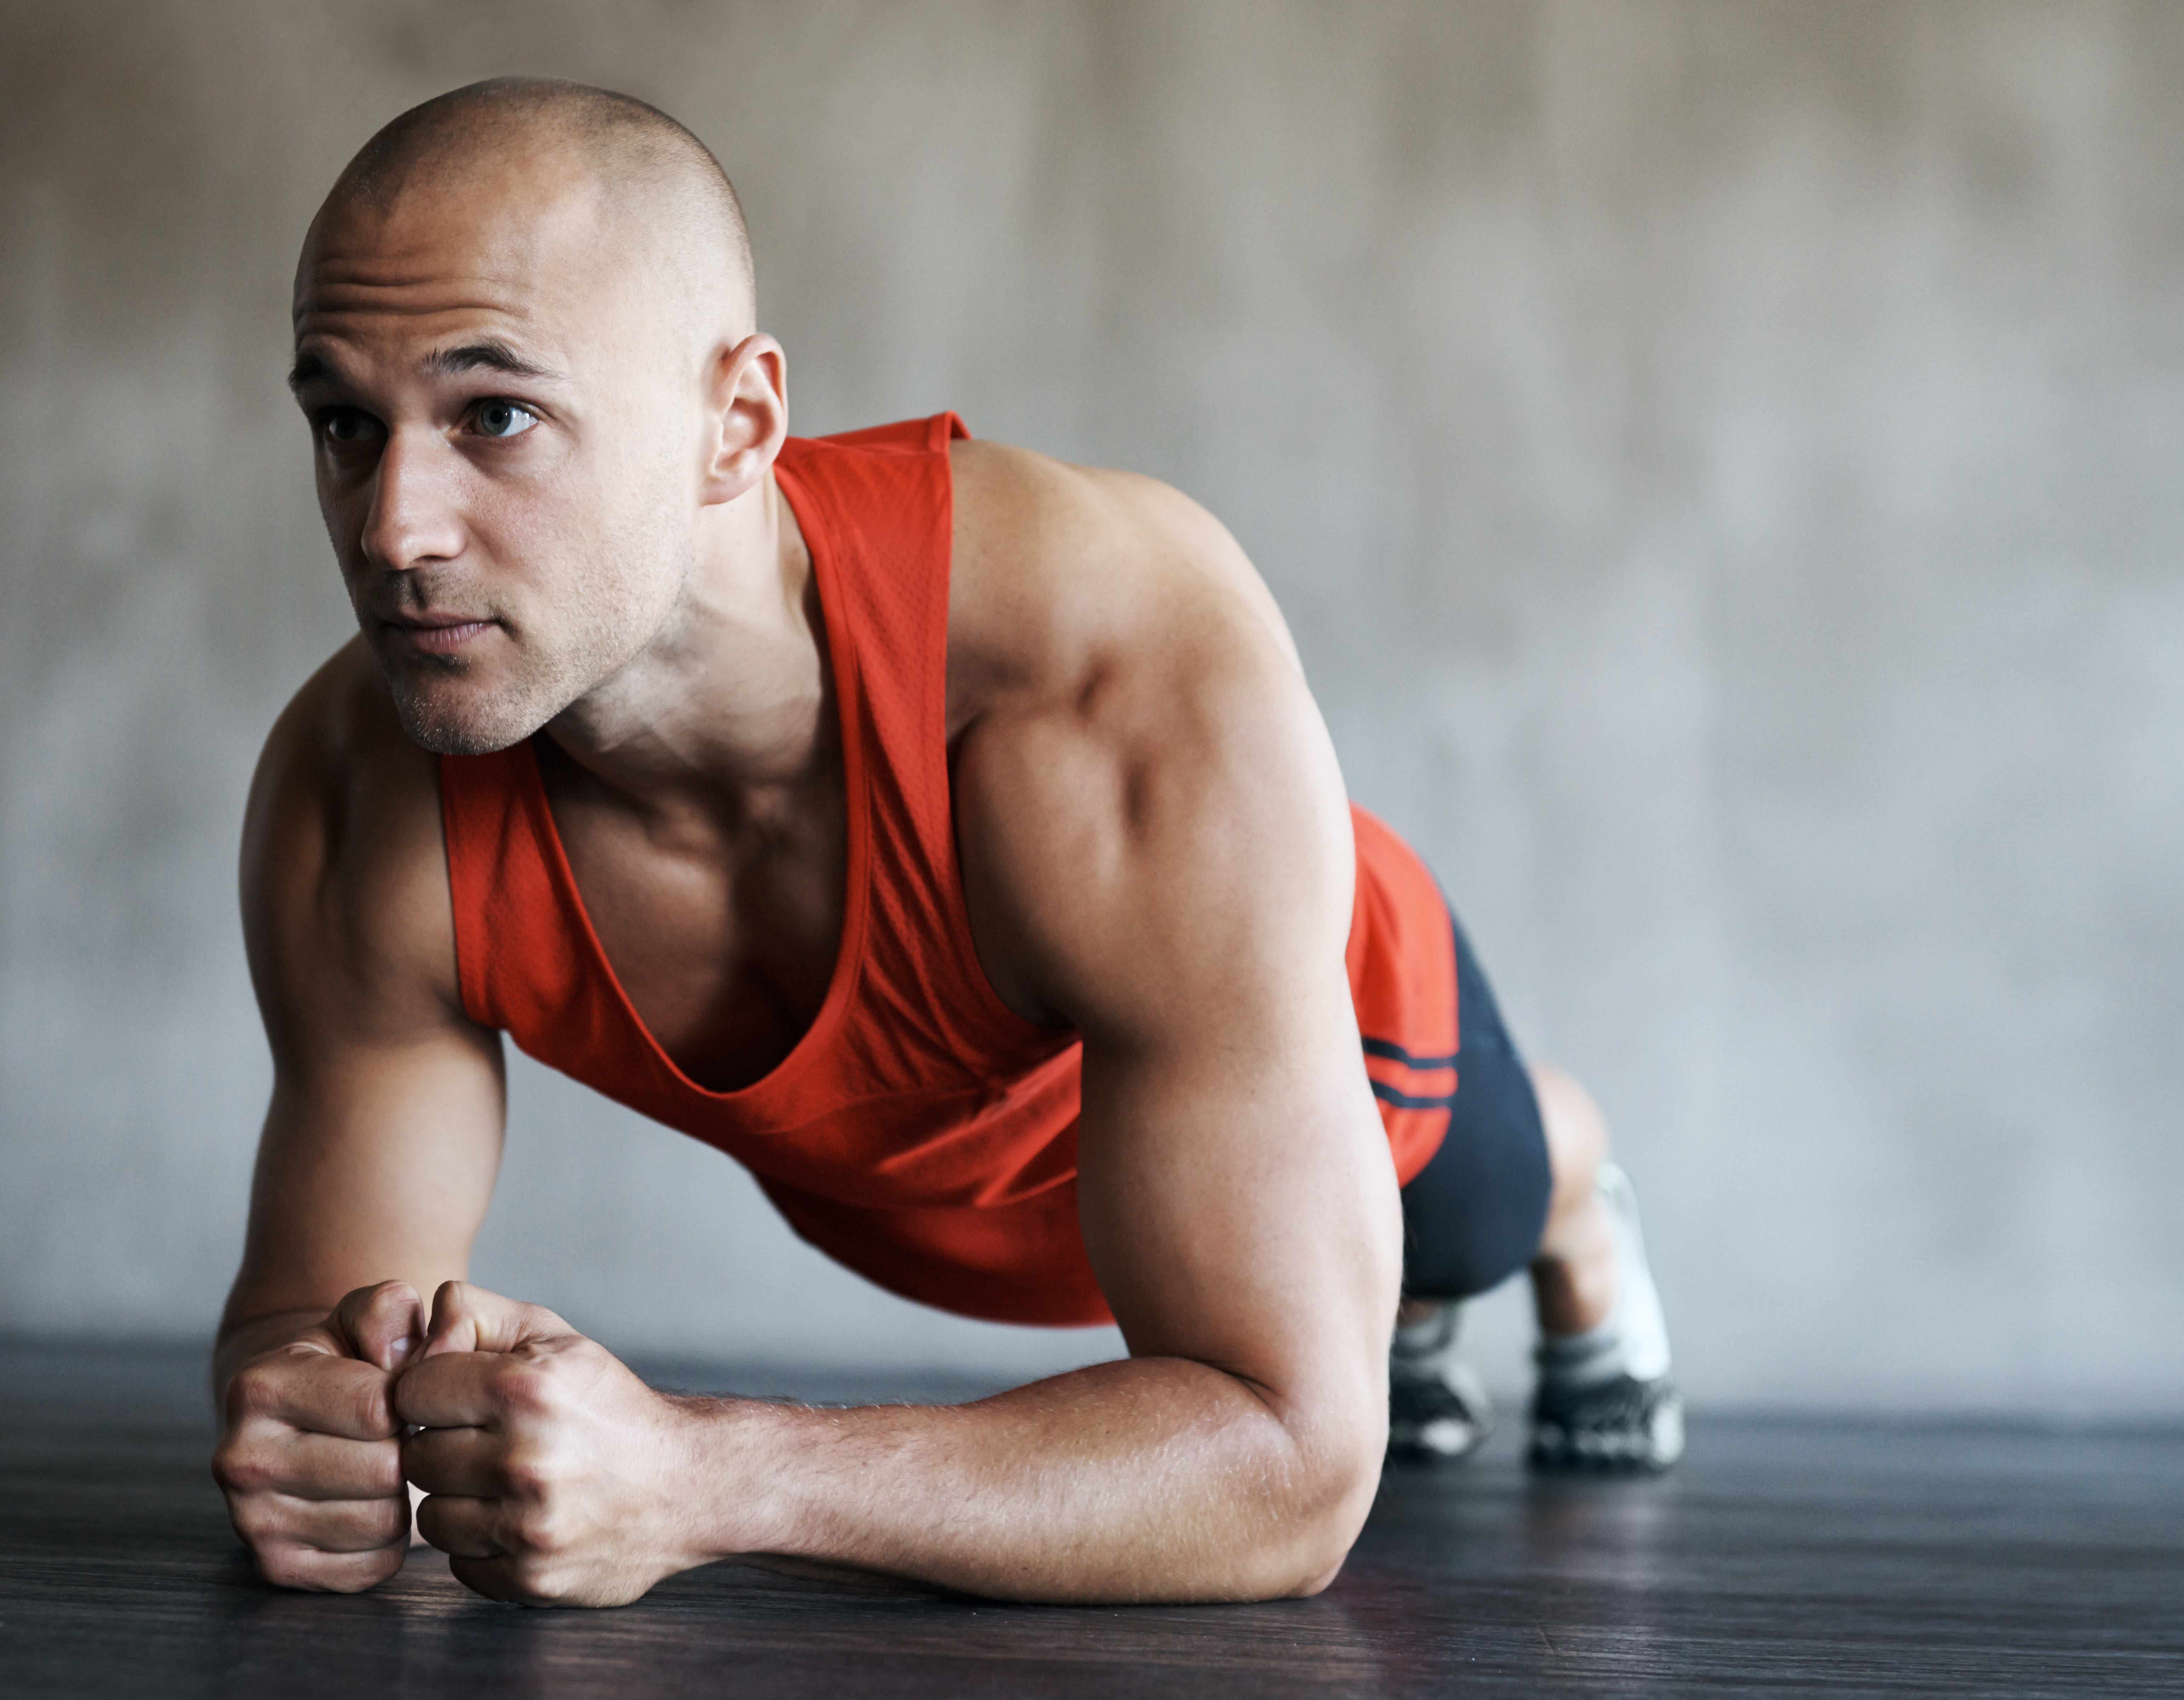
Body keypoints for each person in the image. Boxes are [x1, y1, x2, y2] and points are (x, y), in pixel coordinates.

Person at [211, 77, 1680, 1611]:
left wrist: (700, 1476)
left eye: (494, 414)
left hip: (1355, 1055)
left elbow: (1290, 1477)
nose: (391, 531)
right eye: (343, 424)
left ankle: (1575, 1219)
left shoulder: (1100, 670)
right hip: (934, 1206)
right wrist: (308, 1429)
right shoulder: (352, 799)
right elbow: (297, 1336)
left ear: (740, 422)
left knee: (1480, 1217)